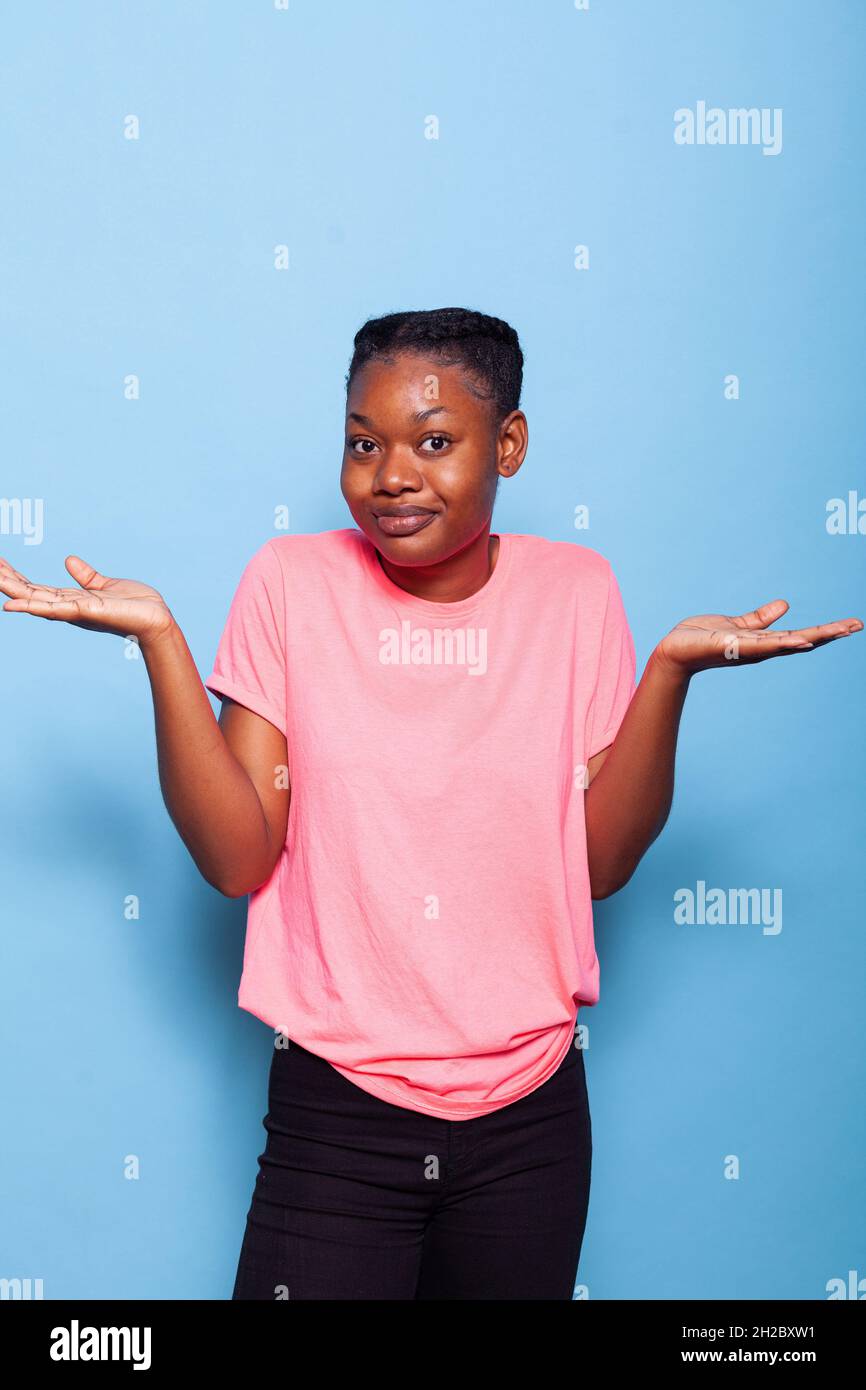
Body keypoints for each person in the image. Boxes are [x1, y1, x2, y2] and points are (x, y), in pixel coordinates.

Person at [1, 307, 860, 1301]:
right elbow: (240, 859)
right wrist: (161, 644)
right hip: (338, 1114)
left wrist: (667, 673)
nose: (390, 473)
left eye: (433, 441)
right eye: (362, 443)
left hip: (529, 1121)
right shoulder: (289, 583)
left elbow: (598, 864)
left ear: (509, 445)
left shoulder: (577, 591)